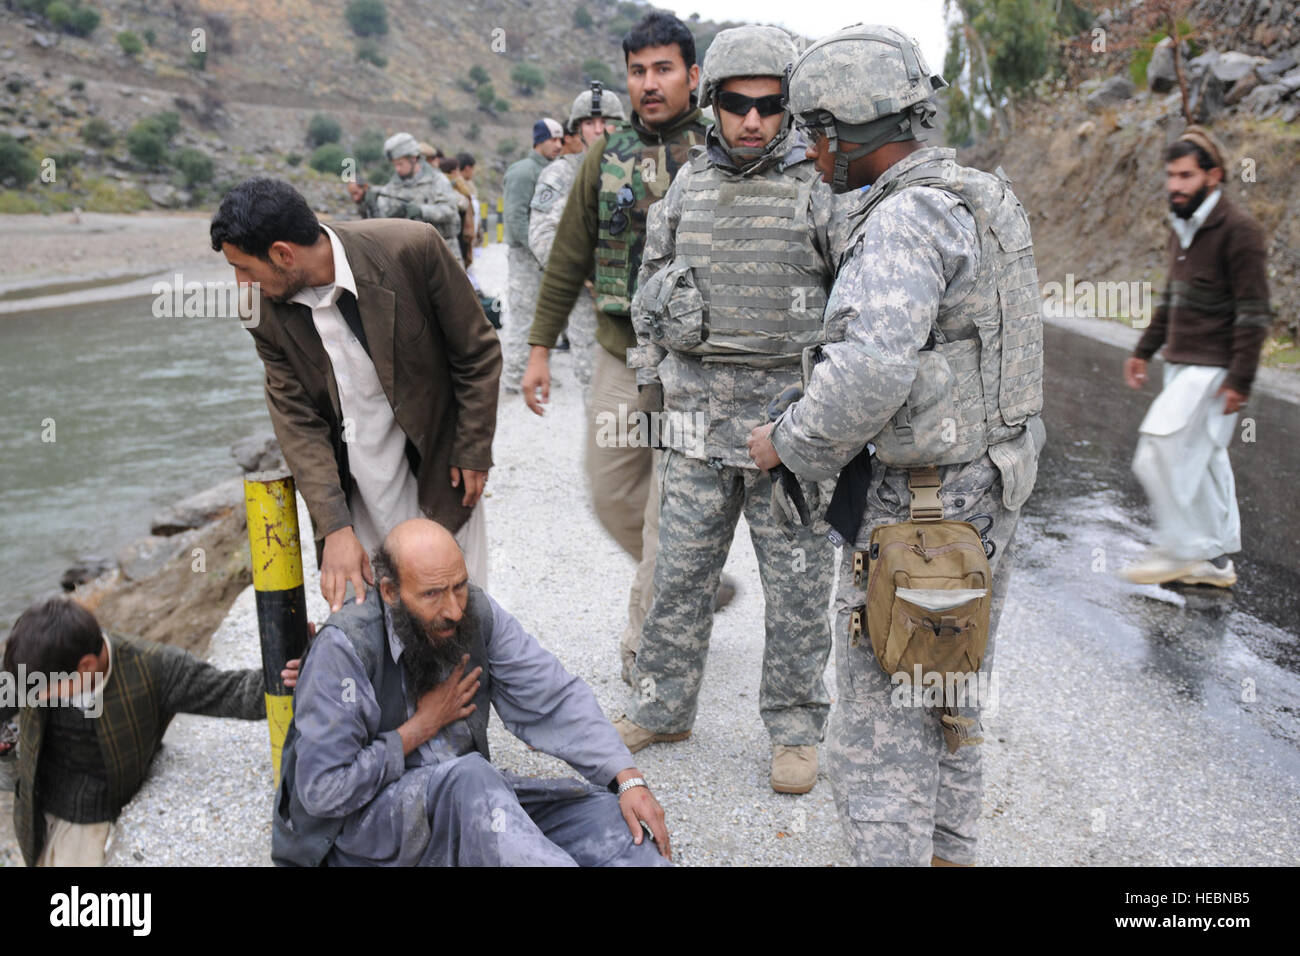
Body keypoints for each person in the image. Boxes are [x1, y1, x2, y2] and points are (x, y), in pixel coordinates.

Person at [747, 24, 1045, 865]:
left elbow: (867, 377)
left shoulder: (903, 220)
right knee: (950, 693)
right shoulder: (980, 196)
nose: (806, 150)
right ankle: (951, 851)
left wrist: (786, 443)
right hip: (989, 495)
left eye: (814, 132)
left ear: (852, 132)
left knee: (880, 732)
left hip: (919, 513)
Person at [616, 26, 835, 795]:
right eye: (737, 104)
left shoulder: (821, 192)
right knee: (677, 579)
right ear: (713, 105)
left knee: (800, 594)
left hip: (789, 433)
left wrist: (827, 418)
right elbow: (648, 289)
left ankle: (797, 729)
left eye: (770, 106)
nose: (752, 121)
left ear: (790, 108)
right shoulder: (687, 188)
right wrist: (653, 379)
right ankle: (662, 705)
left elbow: (856, 316)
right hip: (695, 425)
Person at [273, 518, 672, 867]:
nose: (453, 609)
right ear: (391, 592)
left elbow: (552, 694)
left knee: (607, 816)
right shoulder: (346, 648)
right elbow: (322, 792)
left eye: (459, 587)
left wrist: (627, 778)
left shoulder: (475, 613)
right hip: (365, 838)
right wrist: (418, 729)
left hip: (471, 809)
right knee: (472, 778)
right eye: (432, 594)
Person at [522, 12, 713, 684]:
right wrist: (539, 348)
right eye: (638, 71)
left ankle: (649, 651)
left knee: (668, 508)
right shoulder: (603, 158)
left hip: (698, 365)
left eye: (664, 69)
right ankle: (690, 578)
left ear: (692, 75)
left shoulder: (724, 148)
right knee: (609, 493)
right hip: (620, 352)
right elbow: (568, 254)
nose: (650, 83)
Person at [211, 178, 500, 609]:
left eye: (244, 268)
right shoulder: (261, 311)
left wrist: (474, 448)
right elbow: (297, 421)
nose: (241, 284)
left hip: (440, 474)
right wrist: (334, 527)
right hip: (355, 495)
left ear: (283, 255)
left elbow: (476, 352)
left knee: (457, 613)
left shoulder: (413, 249)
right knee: (372, 632)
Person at [4, 597, 293, 867]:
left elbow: (235, 693)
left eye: (43, 690)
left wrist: (295, 668)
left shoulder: (153, 669)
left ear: (86, 666)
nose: (34, 696)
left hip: (90, 821)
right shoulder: (37, 666)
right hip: (35, 808)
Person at [1120, 126, 1271, 588]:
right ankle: (1215, 561)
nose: (1175, 186)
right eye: (1170, 176)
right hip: (1183, 365)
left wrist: (1240, 381)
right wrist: (1145, 349)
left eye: (1185, 176)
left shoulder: (1239, 232)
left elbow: (1254, 312)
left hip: (1213, 369)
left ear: (1214, 176)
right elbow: (1173, 298)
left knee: (1157, 452)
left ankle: (1181, 551)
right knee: (1205, 463)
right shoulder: (1183, 228)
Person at [528, 84, 627, 399]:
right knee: (594, 380)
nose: (598, 130)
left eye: (606, 121)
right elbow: (542, 235)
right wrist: (588, 272)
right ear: (578, 128)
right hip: (589, 298)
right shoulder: (560, 174)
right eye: (589, 123)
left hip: (636, 298)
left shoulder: (640, 165)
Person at [500, 118, 565, 391]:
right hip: (526, 257)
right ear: (539, 140)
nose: (559, 145)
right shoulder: (523, 172)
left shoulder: (552, 171)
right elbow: (515, 219)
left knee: (547, 317)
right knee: (524, 317)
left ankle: (540, 373)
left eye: (562, 140)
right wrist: (540, 249)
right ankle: (515, 375)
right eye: (554, 140)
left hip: (545, 256)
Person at [370, 132, 465, 268]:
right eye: (395, 165)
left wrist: (422, 210)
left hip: (444, 254)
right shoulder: (391, 188)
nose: (397, 169)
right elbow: (380, 218)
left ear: (414, 158)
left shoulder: (437, 181)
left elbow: (450, 210)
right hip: (410, 258)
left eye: (400, 164)